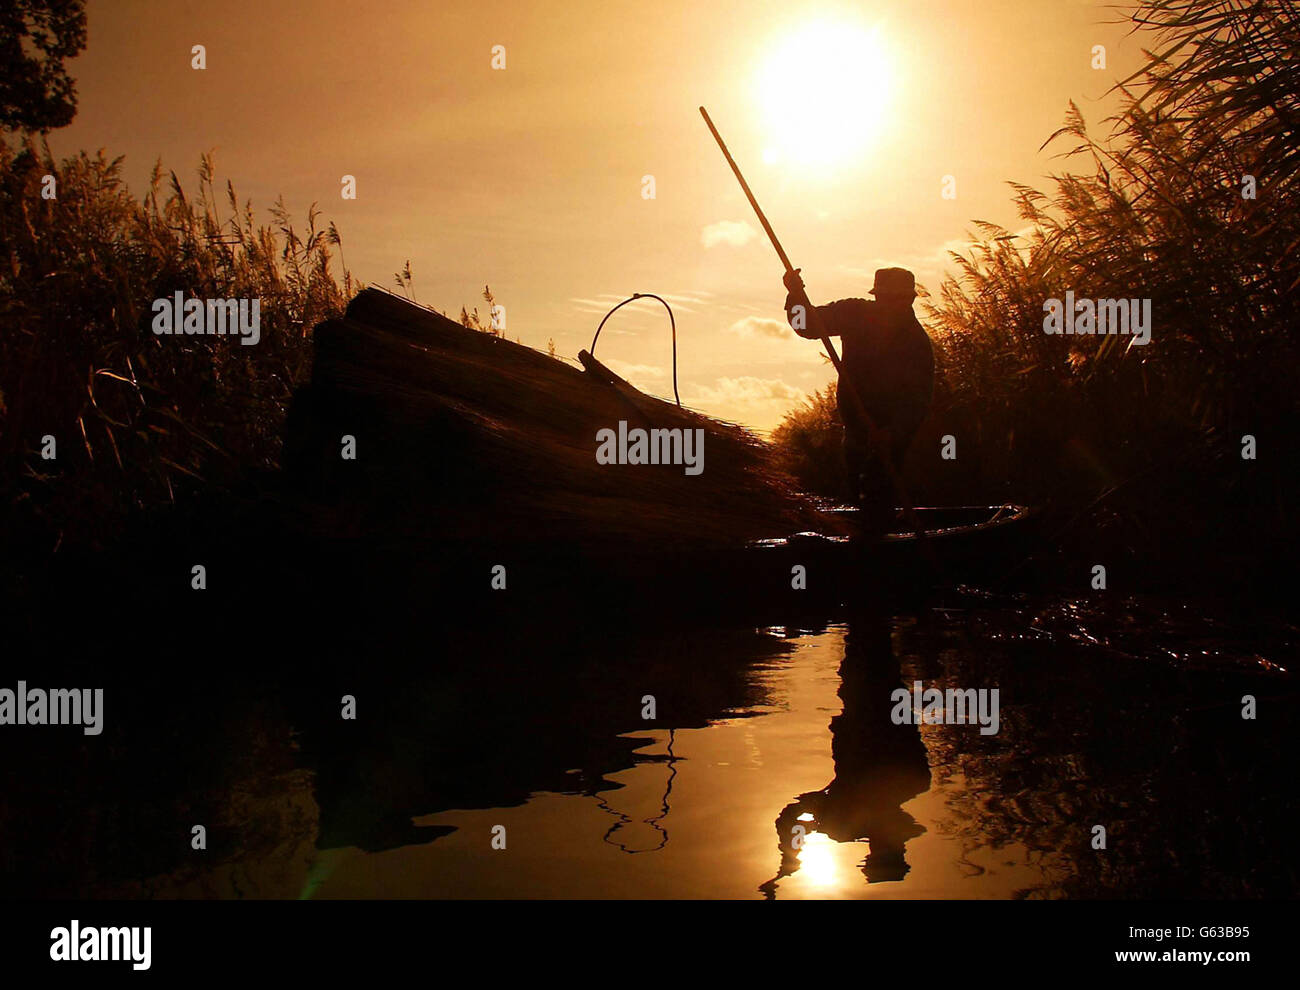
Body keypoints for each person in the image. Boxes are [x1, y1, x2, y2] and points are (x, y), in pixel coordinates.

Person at [783, 266, 934, 534]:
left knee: (879, 491)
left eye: (896, 299)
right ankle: (867, 543)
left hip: (890, 436)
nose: (889, 305)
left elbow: (918, 399)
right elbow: (804, 324)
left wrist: (893, 433)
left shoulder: (916, 343)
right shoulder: (855, 313)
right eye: (884, 298)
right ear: (877, 296)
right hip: (855, 428)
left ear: (909, 299)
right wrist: (795, 293)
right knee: (858, 493)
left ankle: (882, 543)